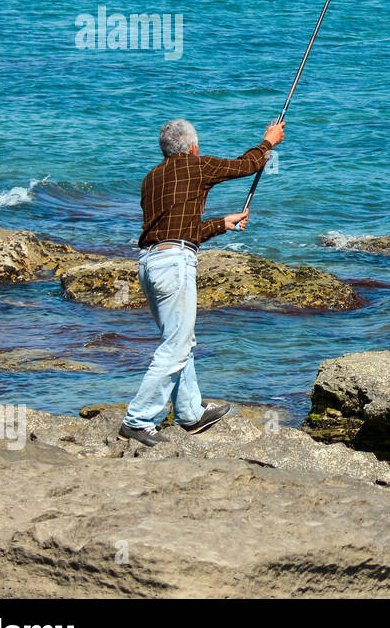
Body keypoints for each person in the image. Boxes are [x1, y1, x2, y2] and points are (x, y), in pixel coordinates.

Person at [118, 117, 285, 446]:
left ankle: (191, 413)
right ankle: (137, 419)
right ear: (192, 146)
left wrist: (222, 224)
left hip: (150, 263)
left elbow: (180, 230)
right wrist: (269, 142)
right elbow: (247, 166)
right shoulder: (196, 165)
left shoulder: (151, 178)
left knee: (181, 340)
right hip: (173, 264)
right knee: (176, 346)